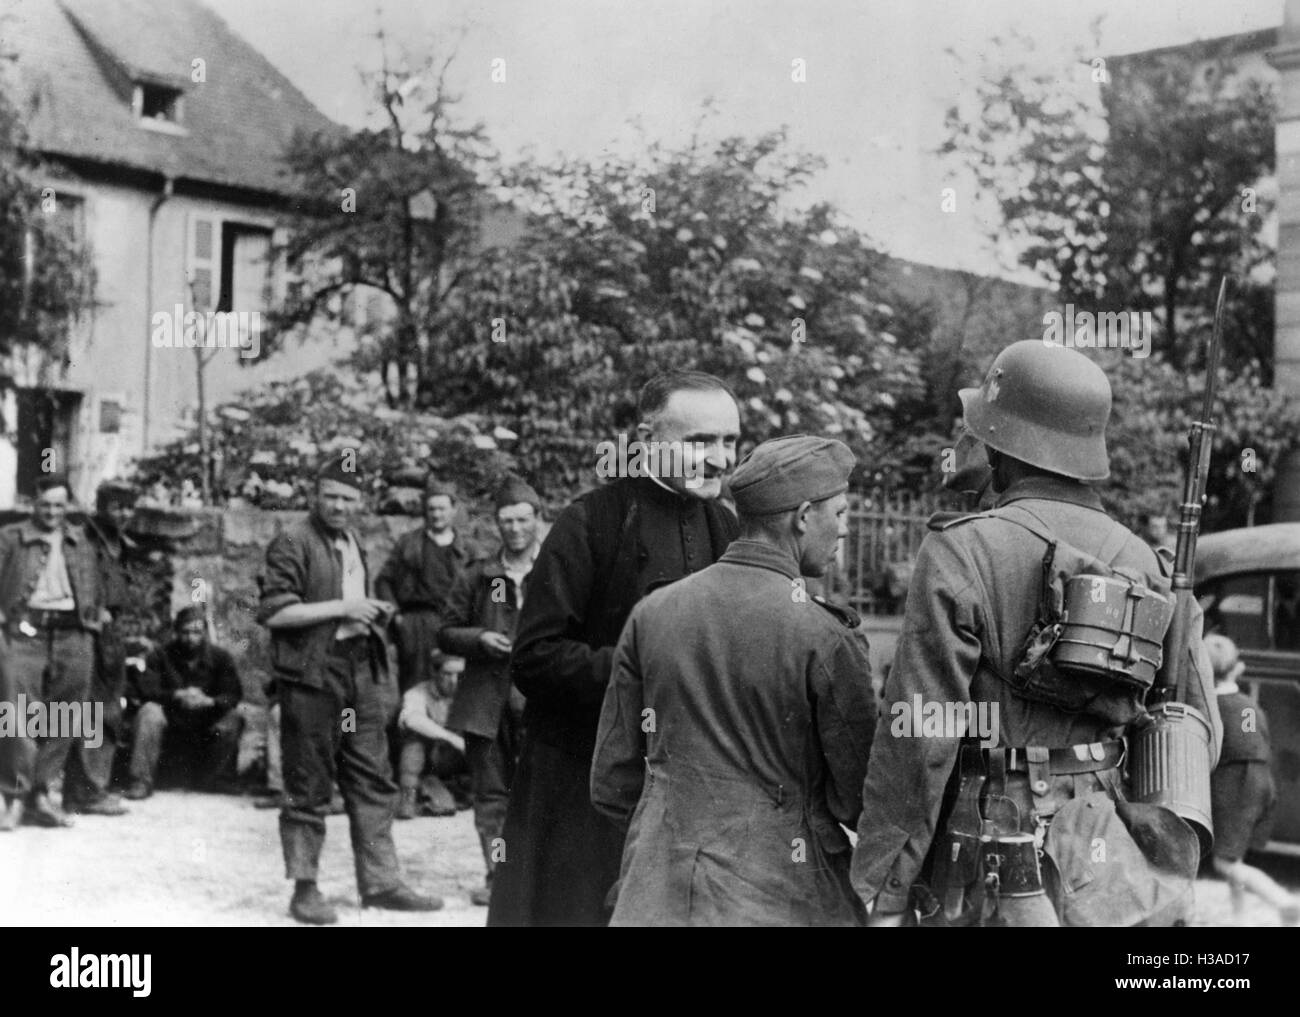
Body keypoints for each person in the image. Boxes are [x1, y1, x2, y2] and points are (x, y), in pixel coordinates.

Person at [852, 340, 1222, 928]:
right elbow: (1198, 730)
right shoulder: (1149, 564)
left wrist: (887, 890)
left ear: (1001, 444)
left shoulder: (962, 548)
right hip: (1106, 854)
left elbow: (920, 740)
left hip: (982, 851)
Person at [489, 370, 741, 926]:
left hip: (684, 787)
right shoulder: (591, 521)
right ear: (647, 441)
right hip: (580, 788)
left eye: (729, 442)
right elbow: (533, 658)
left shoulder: (727, 528)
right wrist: (641, 670)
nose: (720, 460)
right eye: (699, 442)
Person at [592, 435, 877, 925]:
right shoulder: (822, 634)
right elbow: (858, 798)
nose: (845, 531)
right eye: (842, 514)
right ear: (804, 516)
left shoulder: (653, 612)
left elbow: (611, 779)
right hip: (783, 894)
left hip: (657, 892)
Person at [258, 459, 441, 924]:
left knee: (372, 777)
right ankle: (305, 889)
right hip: (312, 677)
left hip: (358, 671)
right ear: (315, 495)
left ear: (359, 503)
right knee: (309, 782)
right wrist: (345, 607)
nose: (339, 506)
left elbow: (348, 602)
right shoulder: (293, 541)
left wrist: (367, 613)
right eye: (331, 496)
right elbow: (275, 613)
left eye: (348, 499)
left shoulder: (350, 540)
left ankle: (380, 883)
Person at [438, 477, 544, 906]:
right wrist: (478, 638)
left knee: (540, 793)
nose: (515, 529)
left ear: (538, 520)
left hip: (540, 702)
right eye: (506, 521)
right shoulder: (479, 575)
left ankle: (538, 877)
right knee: (491, 794)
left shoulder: (556, 570)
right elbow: (445, 631)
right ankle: (497, 875)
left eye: (523, 520)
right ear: (496, 525)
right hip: (485, 702)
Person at [0, 474, 107, 831]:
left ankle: (42, 795)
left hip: (72, 634)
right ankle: (14, 797)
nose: (51, 512)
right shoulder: (11, 538)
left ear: (69, 506)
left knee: (64, 715)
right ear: (34, 503)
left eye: (59, 505)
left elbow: (96, 587)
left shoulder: (81, 542)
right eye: (45, 504)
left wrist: (91, 627)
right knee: (17, 716)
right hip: (24, 633)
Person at [1204, 633, 1300, 924]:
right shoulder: (1248, 704)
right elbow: (1261, 740)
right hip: (1261, 779)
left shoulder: (1211, 709)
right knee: (1235, 858)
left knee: (1224, 863)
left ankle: (1282, 901)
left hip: (1235, 786)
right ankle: (1239, 918)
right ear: (1237, 669)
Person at [62, 482, 139, 816]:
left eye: (128, 508)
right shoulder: (83, 540)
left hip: (112, 636)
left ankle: (92, 787)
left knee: (108, 712)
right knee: (89, 713)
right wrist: (94, 614)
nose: (122, 514)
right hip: (88, 634)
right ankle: (85, 790)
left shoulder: (119, 544)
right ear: (100, 505)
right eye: (115, 507)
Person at [123, 606, 244, 798]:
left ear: (204, 632)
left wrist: (209, 701)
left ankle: (218, 779)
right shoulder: (161, 655)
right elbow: (147, 690)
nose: (190, 638)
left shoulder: (221, 657)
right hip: (172, 716)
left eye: (196, 632)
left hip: (206, 718)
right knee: (149, 712)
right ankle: (140, 781)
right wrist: (177, 695)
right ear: (176, 632)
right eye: (185, 632)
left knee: (232, 718)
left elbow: (233, 694)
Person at [375, 479, 471, 693]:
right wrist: (397, 616)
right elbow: (383, 580)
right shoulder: (409, 543)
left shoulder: (467, 548)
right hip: (417, 624)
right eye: (431, 509)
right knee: (415, 684)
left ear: (453, 510)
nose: (436, 514)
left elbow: (481, 585)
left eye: (442, 508)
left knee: (455, 684)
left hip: (456, 624)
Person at [395, 652, 468, 819]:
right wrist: (453, 739)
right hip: (428, 764)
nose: (454, 681)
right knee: (414, 740)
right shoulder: (418, 693)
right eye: (447, 674)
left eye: (460, 675)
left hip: (458, 764)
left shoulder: (470, 693)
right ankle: (408, 798)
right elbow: (412, 719)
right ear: (435, 673)